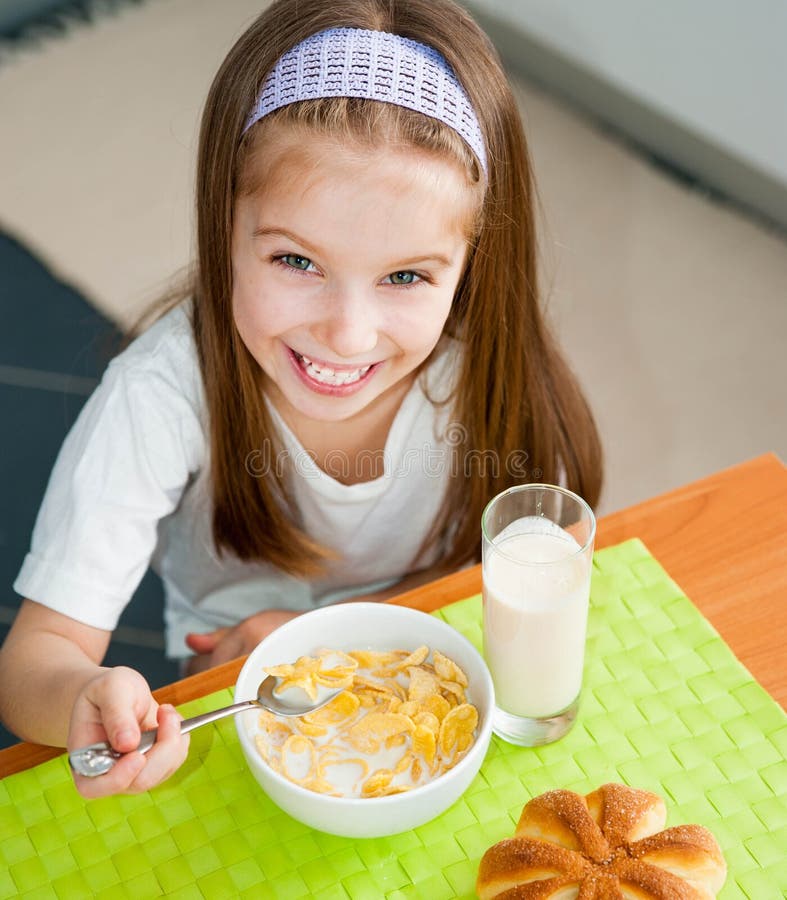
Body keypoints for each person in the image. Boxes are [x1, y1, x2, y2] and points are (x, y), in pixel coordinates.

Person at [0, 0, 602, 797]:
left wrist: (322, 641)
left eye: (405, 276)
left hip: (428, 646)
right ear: (223, 224)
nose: (347, 337)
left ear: (471, 262)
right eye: (296, 261)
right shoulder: (157, 397)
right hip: (238, 682)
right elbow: (34, 660)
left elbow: (519, 558)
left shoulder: (482, 366)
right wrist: (82, 698)